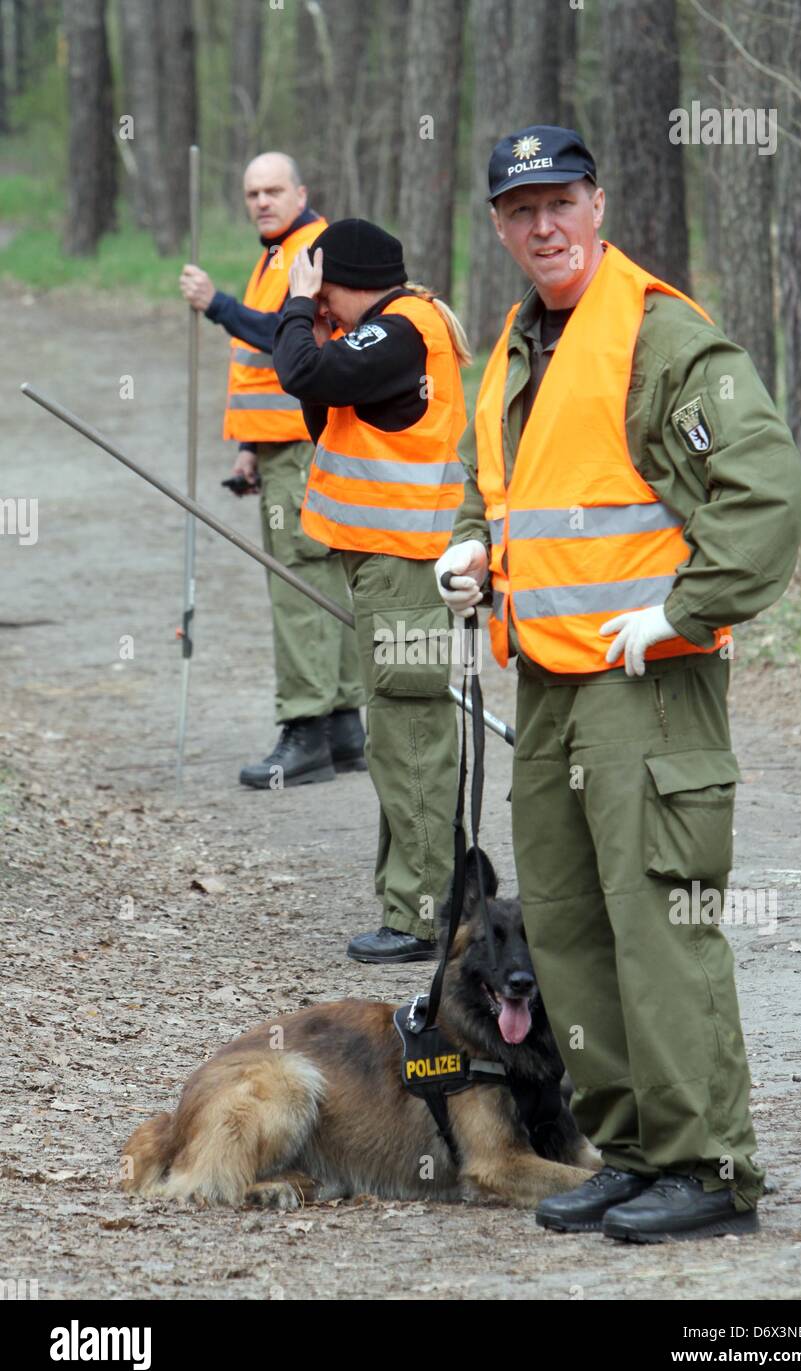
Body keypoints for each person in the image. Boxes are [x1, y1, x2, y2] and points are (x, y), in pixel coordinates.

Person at [435, 126, 801, 1242]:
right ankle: (633, 1147)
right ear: (499, 226)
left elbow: (766, 496)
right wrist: (470, 552)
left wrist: (680, 614)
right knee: (564, 925)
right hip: (549, 681)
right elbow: (497, 491)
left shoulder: (658, 333)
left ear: (597, 204)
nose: (541, 225)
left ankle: (708, 1164)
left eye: (559, 202)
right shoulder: (514, 345)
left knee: (655, 922)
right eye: (519, 210)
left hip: (645, 682)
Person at [273, 219, 469, 964]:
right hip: (389, 561)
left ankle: (423, 917)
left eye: (323, 294)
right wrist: (310, 322)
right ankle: (417, 901)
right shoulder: (393, 331)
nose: (318, 309)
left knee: (410, 738)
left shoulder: (403, 330)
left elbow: (305, 375)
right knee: (397, 734)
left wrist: (298, 307)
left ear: (344, 280)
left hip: (405, 562)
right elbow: (324, 407)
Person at [179, 151, 365, 789]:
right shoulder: (278, 250)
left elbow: (285, 334)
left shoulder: (313, 248)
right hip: (280, 444)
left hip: (305, 443)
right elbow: (267, 368)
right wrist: (249, 447)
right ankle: (343, 727)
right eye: (252, 191)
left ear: (301, 191)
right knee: (320, 575)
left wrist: (217, 305)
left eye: (273, 190)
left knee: (299, 582)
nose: (261, 200)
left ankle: (307, 728)